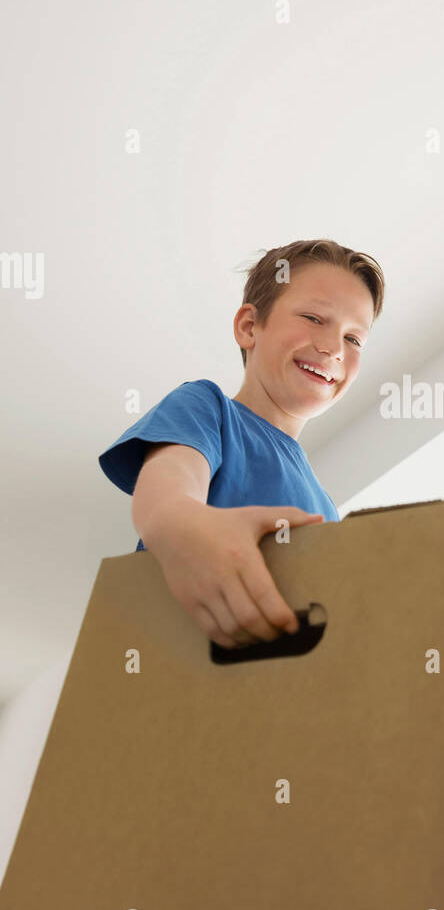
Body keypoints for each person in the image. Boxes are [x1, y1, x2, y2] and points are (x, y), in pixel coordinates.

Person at [98, 239, 385, 650]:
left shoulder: (326, 509)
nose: (333, 348)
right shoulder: (208, 408)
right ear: (249, 327)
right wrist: (181, 525)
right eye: (313, 317)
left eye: (354, 339)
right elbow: (166, 490)